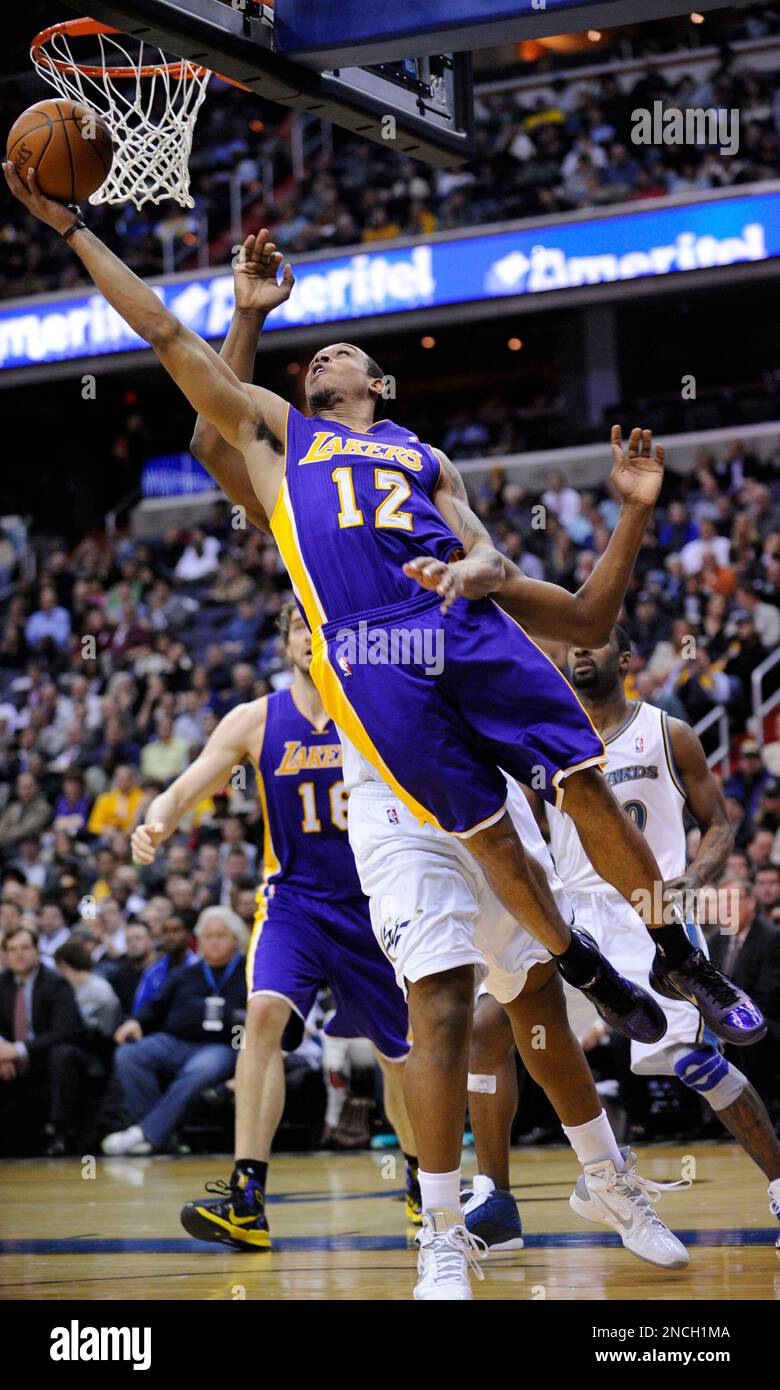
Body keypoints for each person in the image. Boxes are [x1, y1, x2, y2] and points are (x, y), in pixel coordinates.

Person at [465, 628, 780, 1251]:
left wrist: (696, 875)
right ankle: (496, 1201)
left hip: (646, 908)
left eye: (596, 642)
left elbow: (719, 824)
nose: (580, 652)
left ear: (627, 658)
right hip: (570, 914)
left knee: (693, 1062)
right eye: (572, 645)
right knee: (488, 1032)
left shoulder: (669, 732)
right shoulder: (547, 737)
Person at [131, 601, 416, 1247]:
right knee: (261, 1016)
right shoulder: (255, 719)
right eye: (298, 627)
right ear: (286, 642)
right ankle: (246, 1199)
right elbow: (187, 784)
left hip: (375, 904)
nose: (310, 637)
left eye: (321, 625)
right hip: (293, 904)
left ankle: (424, 1182)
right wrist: (157, 819)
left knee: (398, 1061)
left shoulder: (374, 705)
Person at [102, 907, 247, 1155]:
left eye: (220, 935)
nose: (213, 942)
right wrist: (136, 1022)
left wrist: (237, 1033)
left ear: (235, 939)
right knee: (130, 1055)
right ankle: (159, 1137)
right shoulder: (186, 973)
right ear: (199, 941)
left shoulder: (248, 973)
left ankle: (143, 1133)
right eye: (208, 936)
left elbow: (250, 1018)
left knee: (199, 1070)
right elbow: (156, 1006)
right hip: (175, 1041)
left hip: (221, 1046)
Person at [0, 925, 84, 1156]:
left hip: (47, 1058)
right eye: (12, 949)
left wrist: (16, 1050)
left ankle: (58, 1132)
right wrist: (2, 1052)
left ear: (37, 951)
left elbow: (64, 1031)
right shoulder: (2, 982)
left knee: (62, 1054)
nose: (19, 954)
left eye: (25, 948)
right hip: (12, 1060)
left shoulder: (56, 983)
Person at [708, 877, 780, 1125]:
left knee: (750, 1038)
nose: (725, 908)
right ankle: (713, 1120)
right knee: (689, 1038)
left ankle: (762, 1117)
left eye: (732, 900)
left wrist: (727, 1020)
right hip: (722, 1021)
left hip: (764, 1019)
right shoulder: (716, 940)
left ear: (750, 902)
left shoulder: (771, 937)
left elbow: (768, 994)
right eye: (721, 901)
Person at [49, 938, 122, 1155]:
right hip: (78, 1048)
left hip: (98, 1054)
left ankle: (61, 1129)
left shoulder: (99, 990)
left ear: (63, 965)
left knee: (62, 1056)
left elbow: (107, 1033)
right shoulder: (68, 988)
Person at [131, 914, 198, 1014]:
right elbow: (139, 1010)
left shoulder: (198, 966)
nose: (170, 937)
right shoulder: (153, 972)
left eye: (176, 931)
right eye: (166, 932)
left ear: (187, 935)